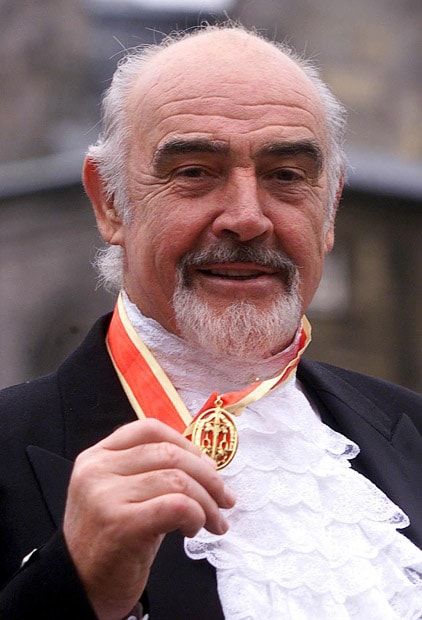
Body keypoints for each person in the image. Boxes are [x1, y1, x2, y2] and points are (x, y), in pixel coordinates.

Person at [0, 24, 421, 620]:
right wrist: (72, 586)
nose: (247, 218)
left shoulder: (411, 429)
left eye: (286, 176)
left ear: (330, 210)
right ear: (110, 203)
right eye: (195, 172)